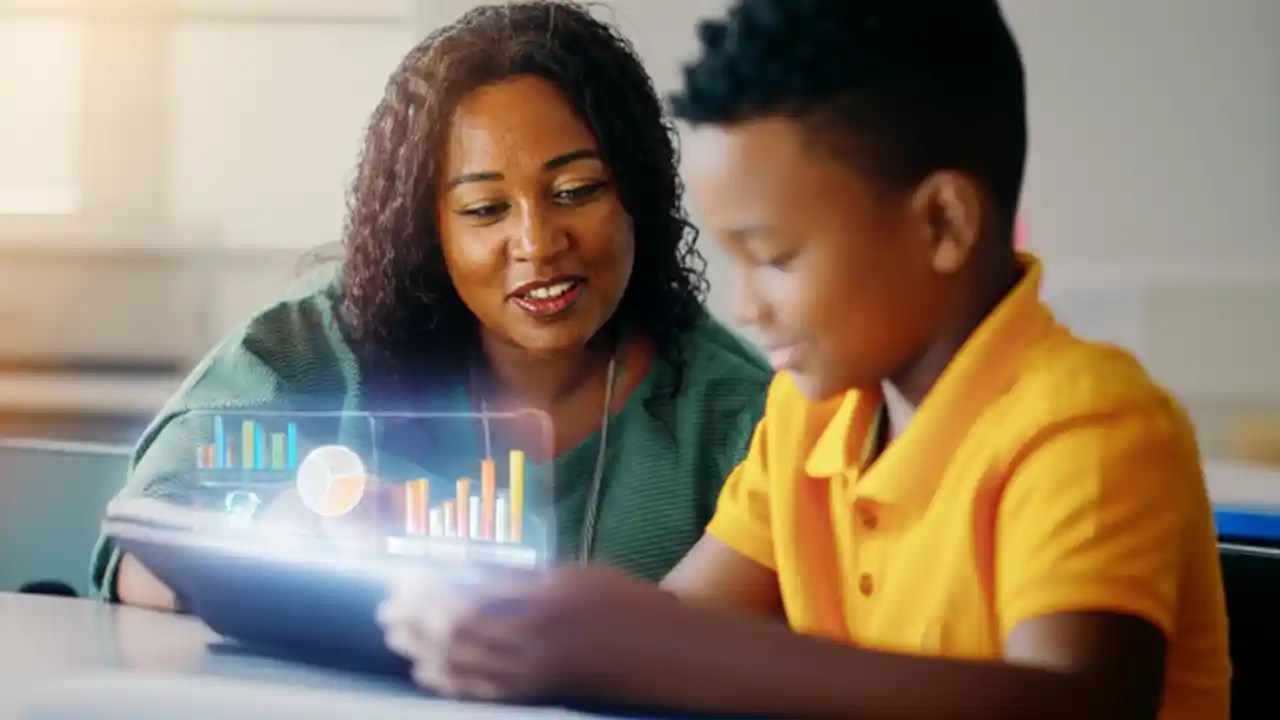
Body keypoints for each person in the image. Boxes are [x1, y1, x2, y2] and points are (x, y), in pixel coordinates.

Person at [377, 1, 1232, 718]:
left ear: (942, 224)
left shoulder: (1088, 427)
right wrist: (494, 601)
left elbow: (1070, 706)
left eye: (776, 257)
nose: (744, 306)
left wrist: (638, 641)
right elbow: (679, 619)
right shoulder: (812, 416)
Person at [91, 1, 771, 610]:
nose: (537, 243)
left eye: (575, 191)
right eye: (485, 209)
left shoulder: (741, 415)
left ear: (638, 195)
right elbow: (136, 554)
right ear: (428, 229)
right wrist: (285, 540)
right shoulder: (309, 349)